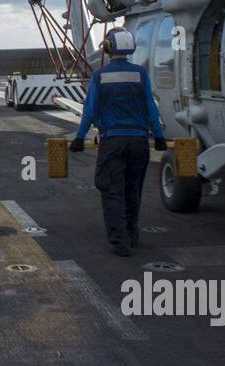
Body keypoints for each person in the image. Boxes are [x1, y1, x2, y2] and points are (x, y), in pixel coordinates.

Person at [70, 28, 166, 256]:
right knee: (133, 189)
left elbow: (89, 110)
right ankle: (132, 235)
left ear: (107, 48)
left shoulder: (100, 76)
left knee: (112, 189)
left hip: (112, 141)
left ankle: (119, 241)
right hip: (139, 141)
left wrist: (80, 137)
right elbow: (150, 107)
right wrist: (159, 136)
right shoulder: (140, 74)